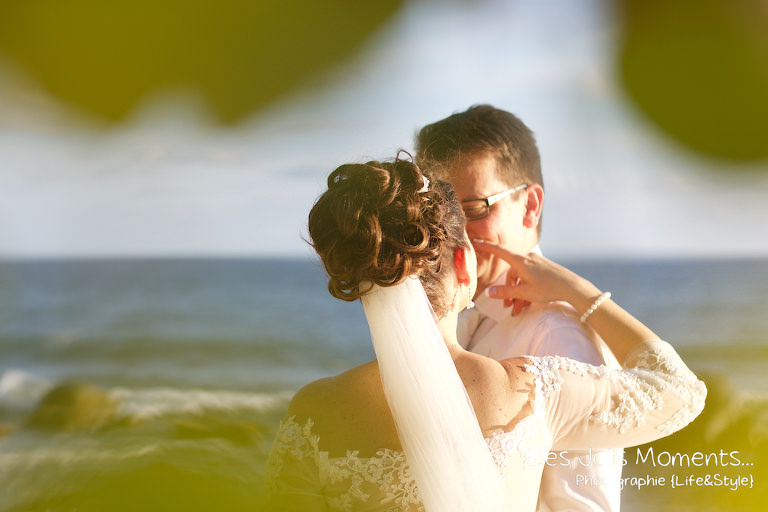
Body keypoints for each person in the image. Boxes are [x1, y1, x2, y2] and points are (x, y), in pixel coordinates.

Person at [262, 157, 706, 511]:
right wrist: (579, 291)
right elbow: (680, 392)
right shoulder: (532, 395)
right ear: (463, 263)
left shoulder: (314, 415)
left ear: (363, 280)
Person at [416, 105, 622, 511]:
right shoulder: (463, 314)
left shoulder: (559, 335)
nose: (451, 232)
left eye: (473, 209)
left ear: (530, 206)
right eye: (438, 212)